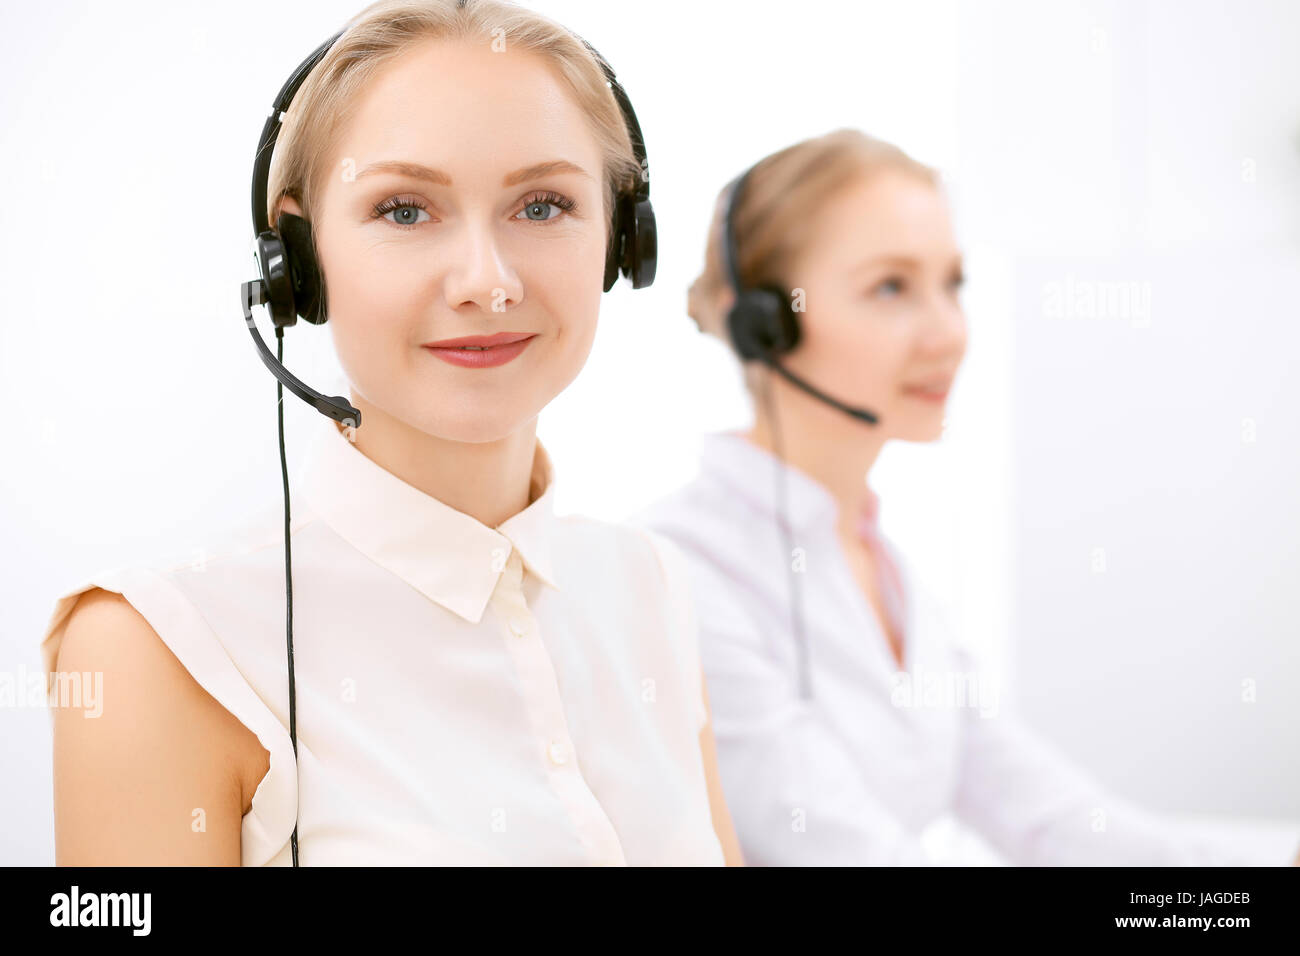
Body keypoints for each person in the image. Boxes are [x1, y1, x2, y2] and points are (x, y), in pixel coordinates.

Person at [38, 0, 741, 867]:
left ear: (621, 242)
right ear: (298, 262)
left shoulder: (651, 588)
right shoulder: (162, 645)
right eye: (406, 211)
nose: (488, 283)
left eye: (544, 204)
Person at [631, 128, 1300, 866]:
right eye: (891, 286)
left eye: (953, 284)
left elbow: (1055, 822)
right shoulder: (678, 571)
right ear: (768, 323)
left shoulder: (885, 568)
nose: (949, 333)